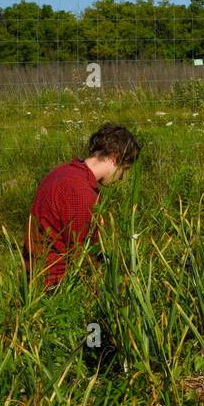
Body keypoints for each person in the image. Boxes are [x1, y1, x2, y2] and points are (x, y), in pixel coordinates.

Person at [24, 123, 141, 287]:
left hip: (38, 275)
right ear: (115, 158)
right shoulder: (79, 191)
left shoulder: (64, 171)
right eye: (124, 168)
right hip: (56, 284)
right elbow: (81, 255)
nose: (121, 177)